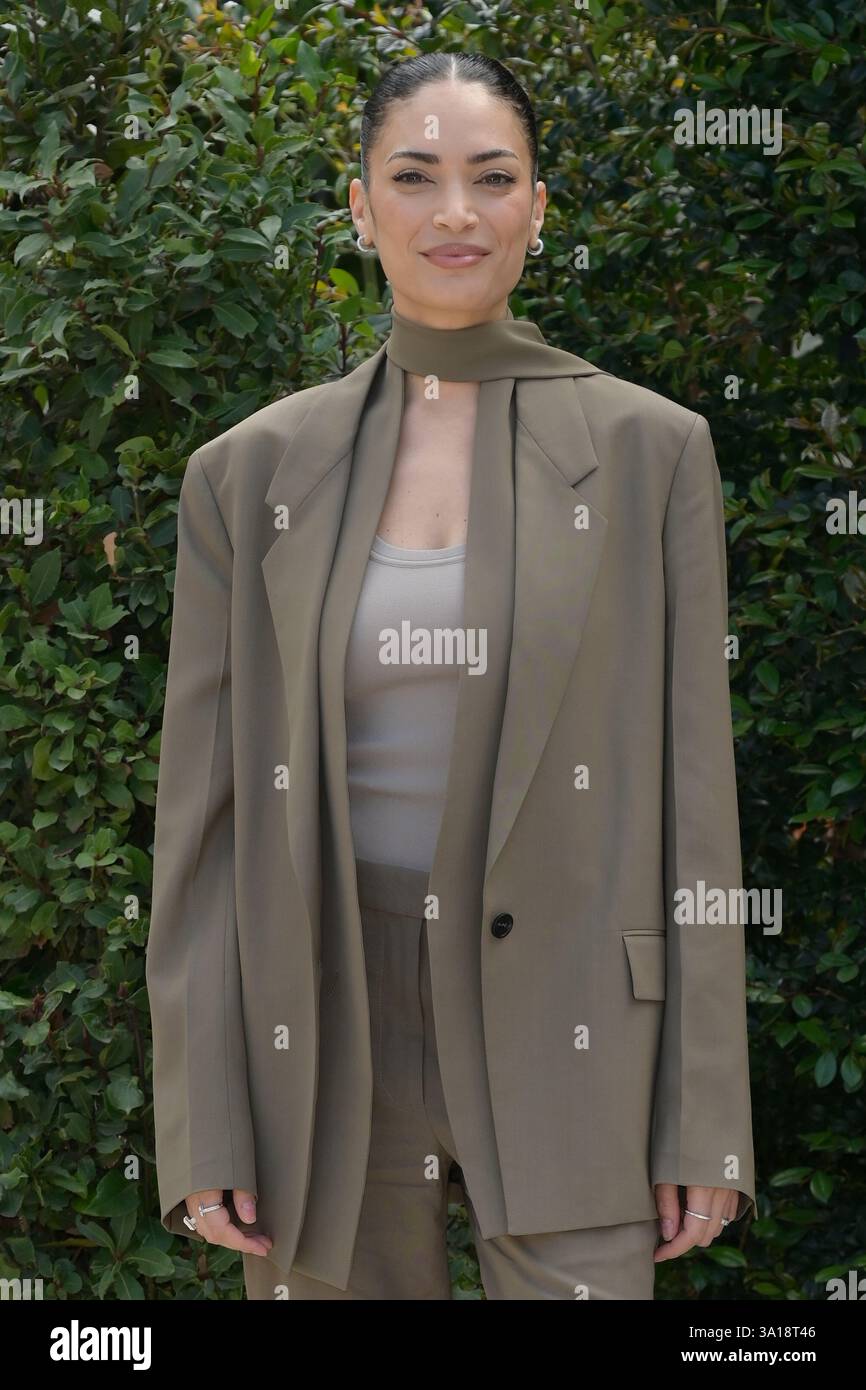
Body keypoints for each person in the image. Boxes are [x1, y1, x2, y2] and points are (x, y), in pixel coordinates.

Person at [146, 52, 756, 1301]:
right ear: (359, 207)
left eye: (492, 177)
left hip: (582, 1020)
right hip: (323, 1023)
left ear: (538, 206)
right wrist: (205, 1118)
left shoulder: (652, 452)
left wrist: (703, 1114)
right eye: (414, 177)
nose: (455, 213)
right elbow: (201, 828)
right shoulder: (245, 475)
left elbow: (696, 802)